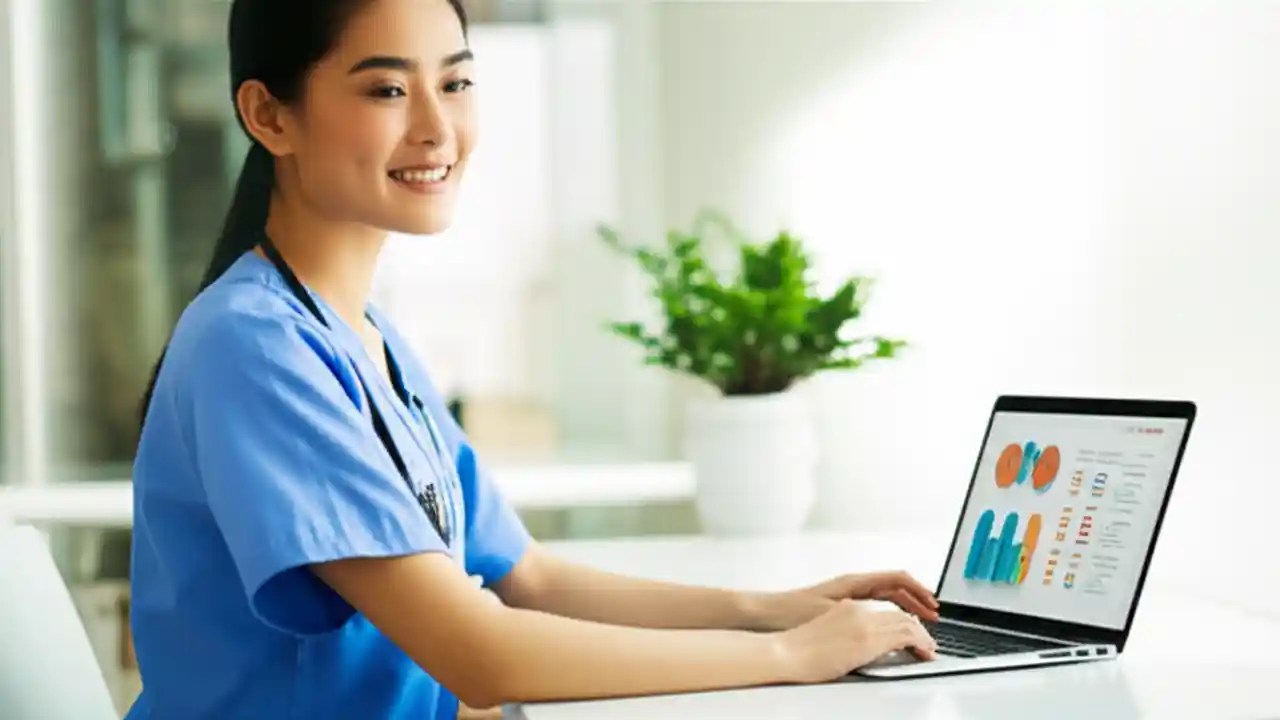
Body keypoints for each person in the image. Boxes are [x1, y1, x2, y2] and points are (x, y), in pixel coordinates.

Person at [125, 0, 939, 718]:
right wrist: (788, 660)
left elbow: (529, 579)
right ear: (269, 116)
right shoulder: (255, 347)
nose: (437, 128)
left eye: (456, 83)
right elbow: (483, 652)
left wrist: (772, 611)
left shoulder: (364, 336)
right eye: (387, 89)